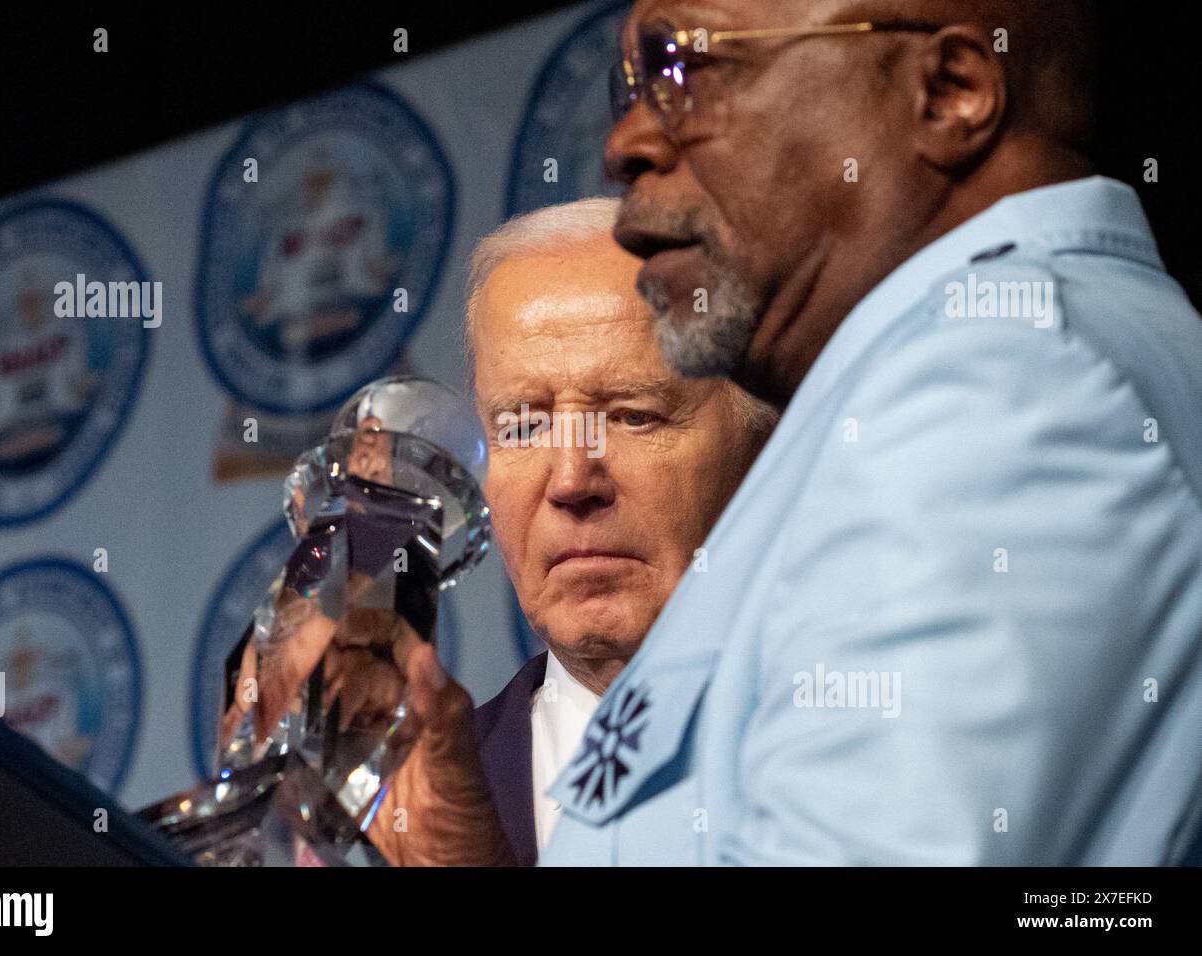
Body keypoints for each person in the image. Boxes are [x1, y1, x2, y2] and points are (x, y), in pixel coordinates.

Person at [392, 0, 1202, 865]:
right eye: (634, 84)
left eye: (690, 70)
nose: (627, 140)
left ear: (950, 91)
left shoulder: (1000, 379)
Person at [368, 197, 775, 864]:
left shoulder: (891, 741)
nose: (570, 481)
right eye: (523, 426)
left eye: (633, 415)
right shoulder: (404, 823)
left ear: (761, 443)